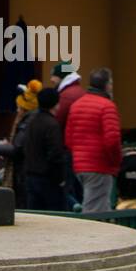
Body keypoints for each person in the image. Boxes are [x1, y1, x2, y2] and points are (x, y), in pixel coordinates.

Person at [65, 67, 122, 212]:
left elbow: (68, 139)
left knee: (96, 204)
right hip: (99, 165)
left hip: (80, 165)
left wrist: (79, 155)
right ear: (107, 85)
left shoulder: (76, 105)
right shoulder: (107, 106)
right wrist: (115, 162)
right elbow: (112, 140)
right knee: (96, 211)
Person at [0, 79, 42, 209]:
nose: (17, 109)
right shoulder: (30, 120)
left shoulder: (27, 122)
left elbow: (17, 149)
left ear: (25, 108)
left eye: (19, 106)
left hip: (23, 173)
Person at [22, 87, 67, 210]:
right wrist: (60, 179)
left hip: (31, 175)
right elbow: (56, 154)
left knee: (35, 216)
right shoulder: (52, 125)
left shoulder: (31, 121)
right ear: (55, 104)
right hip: (48, 179)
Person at [50, 61, 85, 208]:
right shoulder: (79, 91)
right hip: (80, 147)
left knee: (68, 189)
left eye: (54, 76)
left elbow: (56, 122)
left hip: (69, 148)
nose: (51, 79)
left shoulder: (66, 96)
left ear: (61, 76)